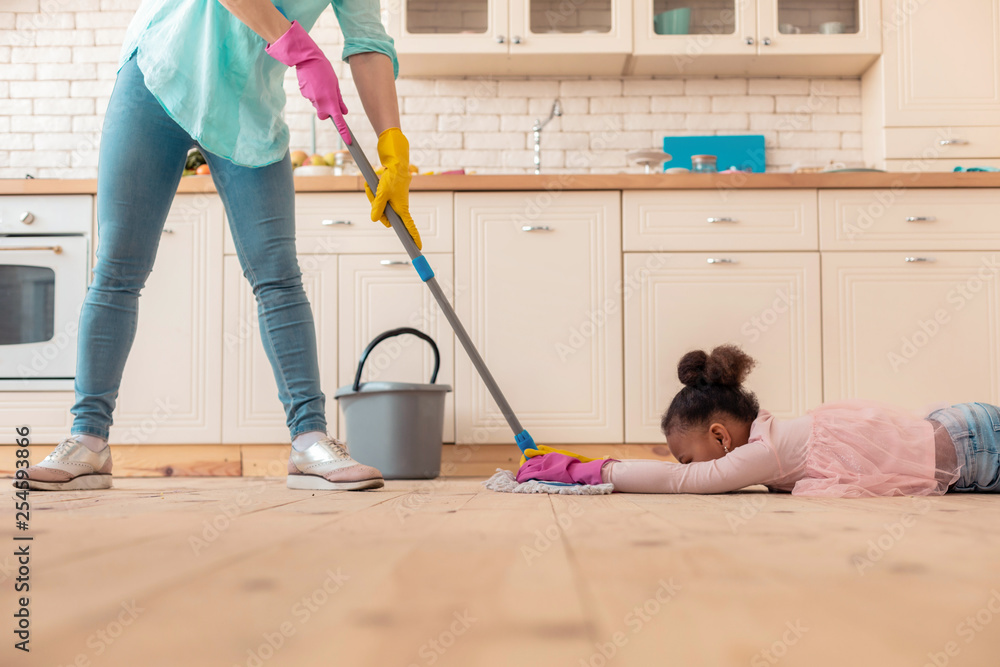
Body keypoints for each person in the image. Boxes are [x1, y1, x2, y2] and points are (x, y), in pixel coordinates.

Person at [21, 0, 420, 492]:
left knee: (278, 273)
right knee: (118, 267)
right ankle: (87, 440)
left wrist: (392, 144)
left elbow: (368, 42)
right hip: (161, 73)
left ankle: (310, 440)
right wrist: (295, 45)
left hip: (246, 104)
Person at [517, 345, 1000, 496]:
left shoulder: (763, 452)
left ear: (721, 436)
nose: (685, 465)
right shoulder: (773, 432)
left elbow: (683, 482)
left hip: (976, 449)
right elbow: (682, 469)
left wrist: (591, 471)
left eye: (688, 455)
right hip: (962, 432)